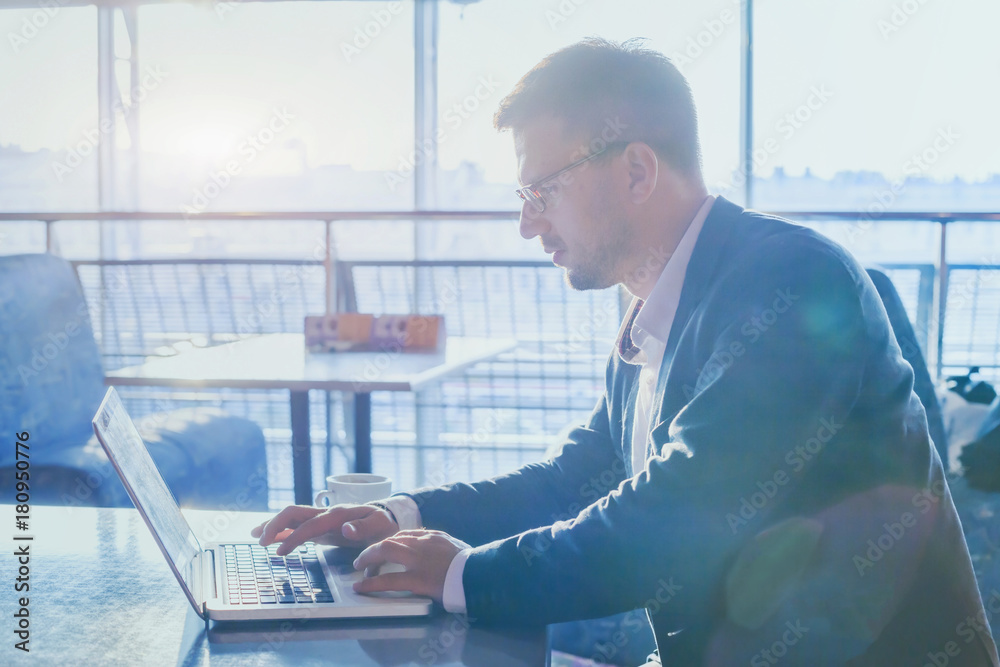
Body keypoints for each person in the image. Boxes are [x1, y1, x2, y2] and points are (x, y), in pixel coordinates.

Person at [252, 38, 999, 665]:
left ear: (637, 169)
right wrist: (400, 513)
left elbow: (678, 515)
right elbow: (576, 475)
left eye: (542, 191)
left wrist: (464, 574)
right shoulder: (659, 306)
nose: (526, 224)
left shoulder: (794, 283)